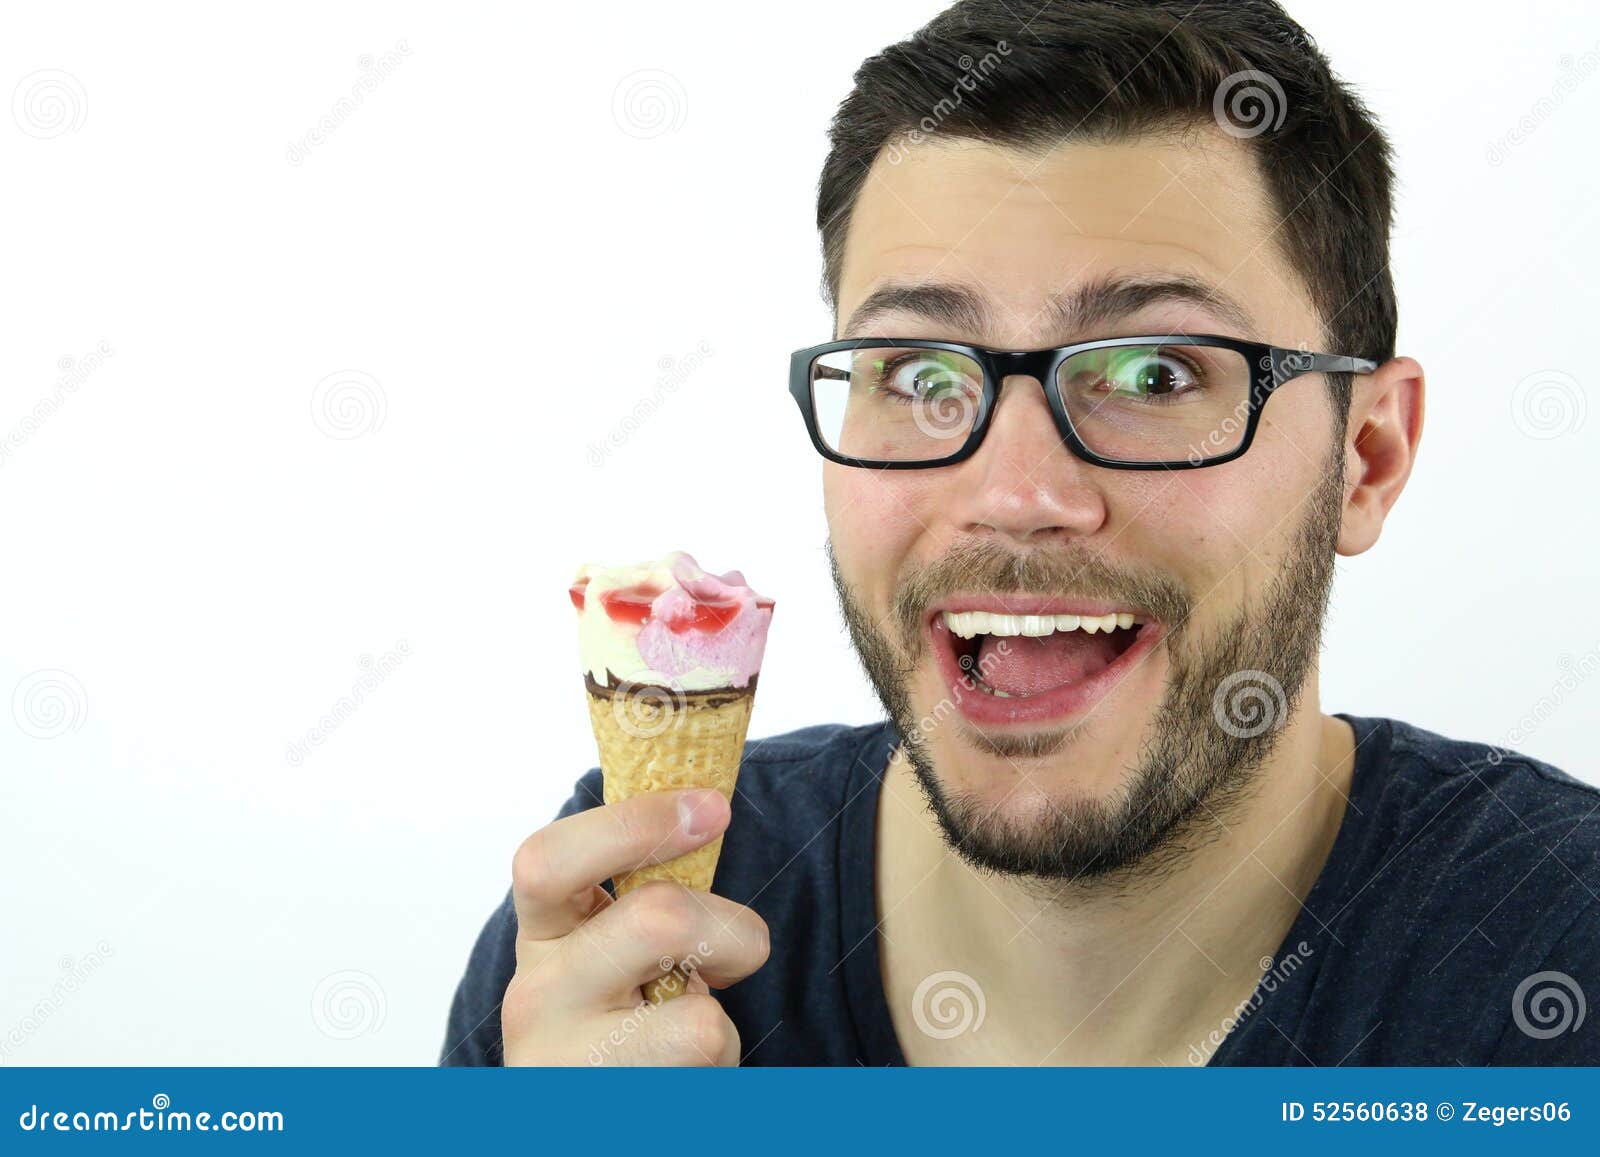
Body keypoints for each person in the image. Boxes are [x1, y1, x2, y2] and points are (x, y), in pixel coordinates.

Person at [442, 0, 1599, 1065]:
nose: (1014, 490)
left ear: (1368, 457)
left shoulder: (1554, 957)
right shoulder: (620, 930)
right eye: (919, 372)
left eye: (1153, 371)